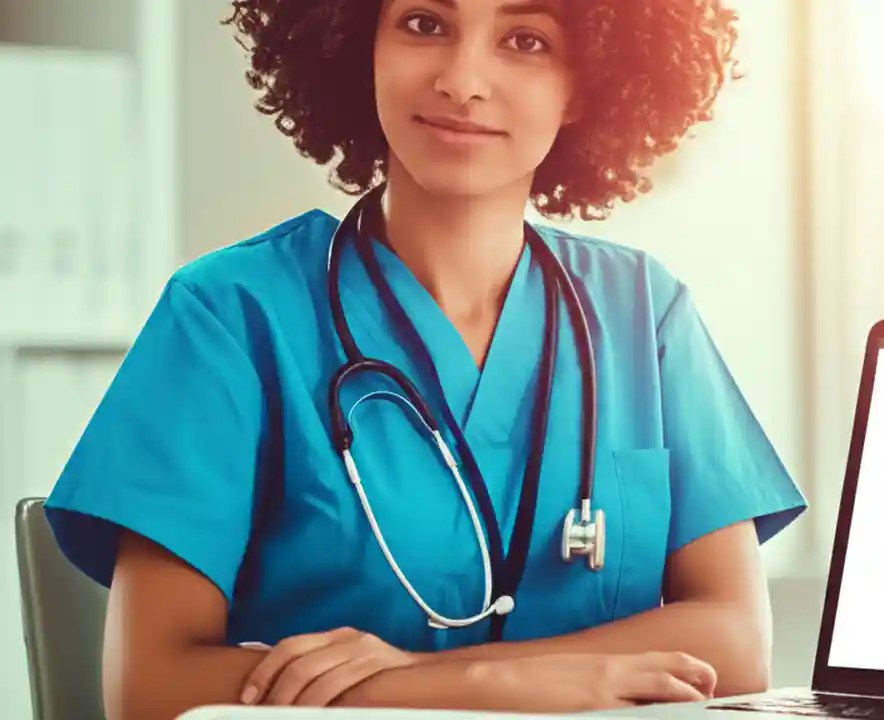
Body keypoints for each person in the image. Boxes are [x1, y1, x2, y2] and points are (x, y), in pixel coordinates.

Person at [42, 0, 808, 717]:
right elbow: (151, 687)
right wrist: (489, 686)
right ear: (357, 46)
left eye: (525, 40)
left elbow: (735, 648)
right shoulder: (230, 316)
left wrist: (432, 679)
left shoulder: (646, 312)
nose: (462, 81)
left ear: (586, 83)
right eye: (423, 23)